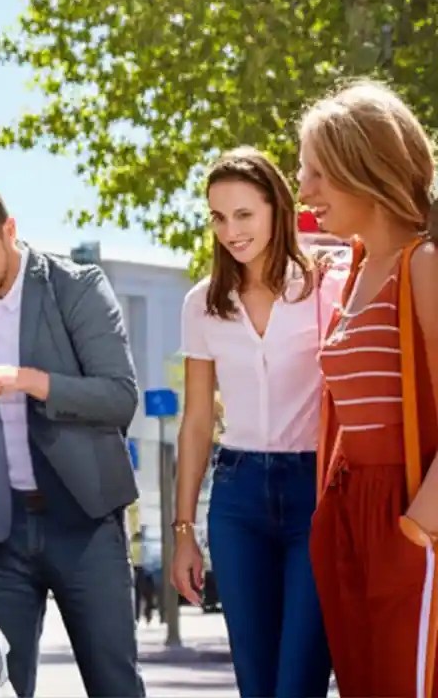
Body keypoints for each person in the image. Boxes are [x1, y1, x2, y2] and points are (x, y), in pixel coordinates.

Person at [0, 179, 144, 697]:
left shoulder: (77, 288)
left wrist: (27, 380)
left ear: (10, 230)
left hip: (86, 522)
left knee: (114, 685)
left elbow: (118, 398)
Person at [170, 147, 337, 697]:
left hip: (314, 491)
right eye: (219, 217)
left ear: (276, 209)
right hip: (238, 497)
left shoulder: (325, 286)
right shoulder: (203, 304)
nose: (231, 231)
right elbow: (197, 421)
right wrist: (184, 533)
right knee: (256, 683)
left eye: (244, 214)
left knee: (299, 681)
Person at [298, 79, 438, 697]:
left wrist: (417, 530)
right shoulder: (351, 271)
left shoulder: (424, 264)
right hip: (346, 513)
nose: (305, 193)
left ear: (366, 167)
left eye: (319, 174)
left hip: (404, 510)